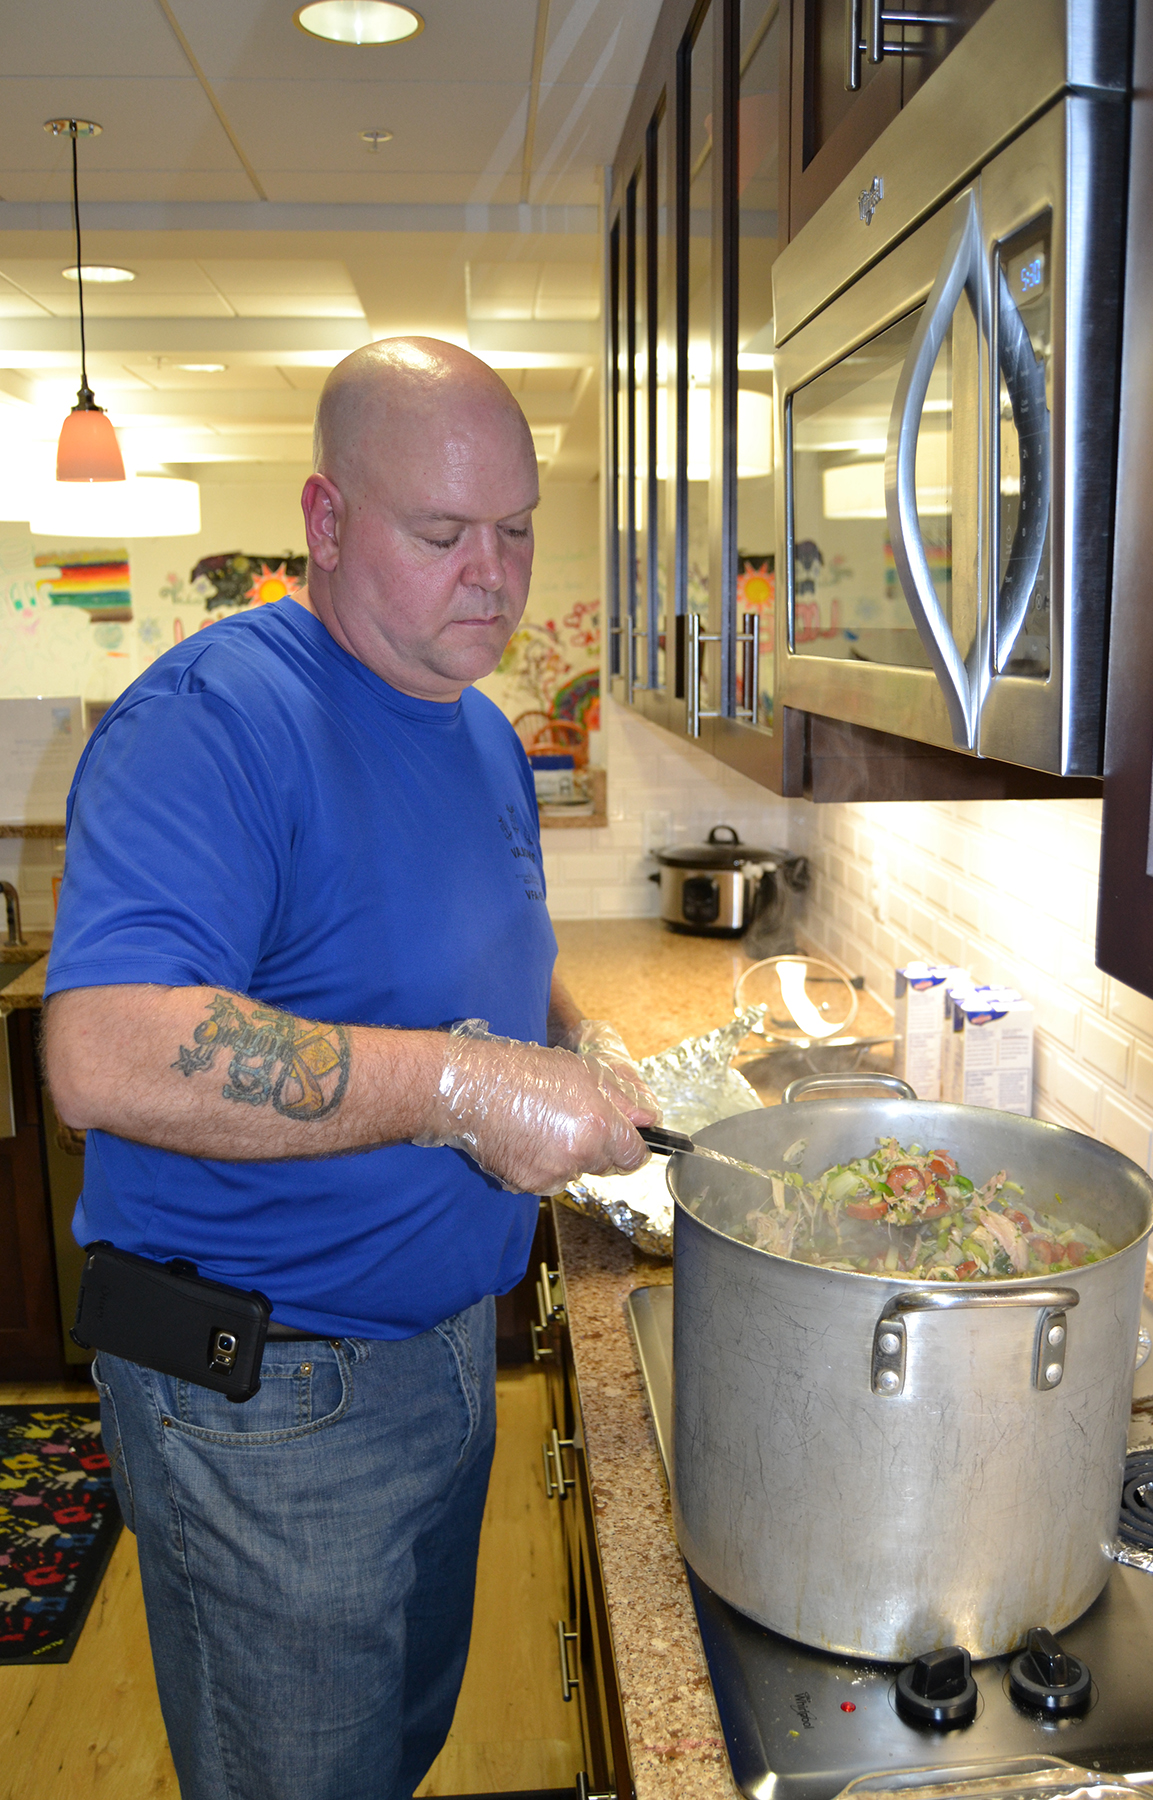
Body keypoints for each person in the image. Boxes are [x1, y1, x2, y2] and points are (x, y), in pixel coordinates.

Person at [42, 337, 656, 1800]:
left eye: (516, 532)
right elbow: (102, 1049)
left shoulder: (480, 727)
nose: (494, 576)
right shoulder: (214, 726)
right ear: (325, 524)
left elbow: (480, 940)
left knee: (392, 1748)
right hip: (268, 1399)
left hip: (442, 1353)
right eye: (443, 535)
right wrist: (460, 1088)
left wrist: (572, 1036)